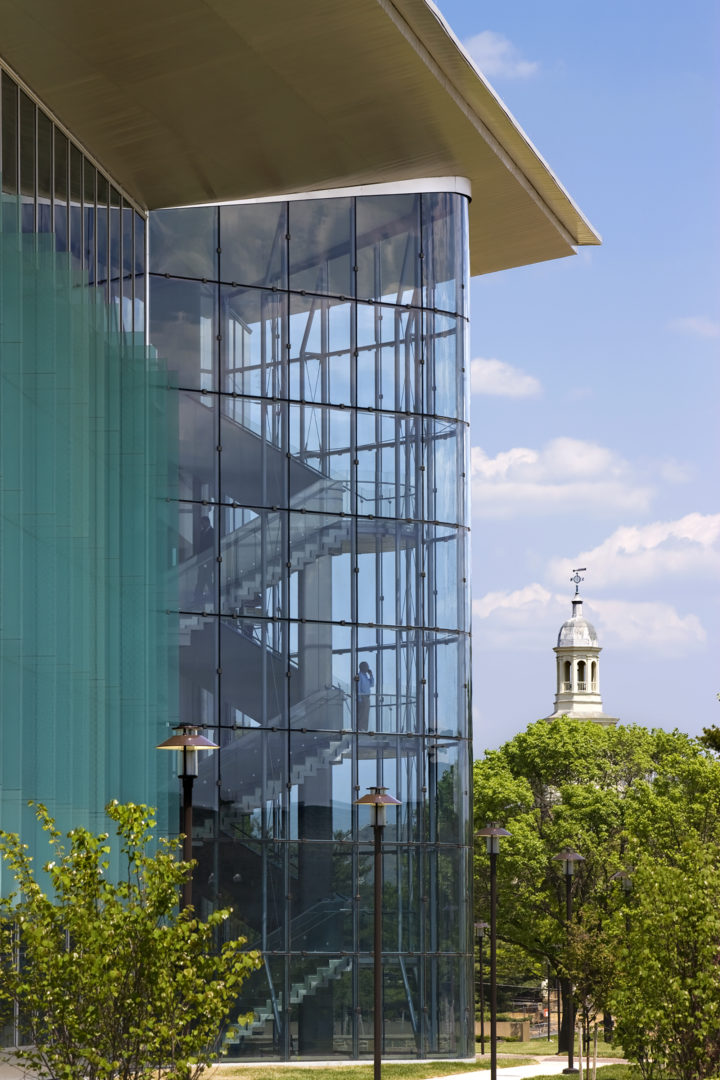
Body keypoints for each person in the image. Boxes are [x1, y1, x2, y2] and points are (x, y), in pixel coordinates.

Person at [194, 513, 215, 603]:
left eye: (202, 523)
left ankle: (213, 595)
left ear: (207, 522)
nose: (201, 525)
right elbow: (200, 547)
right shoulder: (202, 532)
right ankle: (197, 597)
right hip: (202, 560)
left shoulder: (213, 532)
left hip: (209, 560)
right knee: (201, 578)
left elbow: (212, 547)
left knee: (207, 578)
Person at [356, 661, 374, 731]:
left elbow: (372, 684)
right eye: (367, 666)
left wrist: (371, 675)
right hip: (362, 697)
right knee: (361, 714)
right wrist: (359, 699)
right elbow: (358, 687)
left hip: (367, 697)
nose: (368, 668)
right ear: (362, 667)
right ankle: (360, 729)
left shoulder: (366, 676)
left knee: (366, 715)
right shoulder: (358, 675)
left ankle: (364, 729)